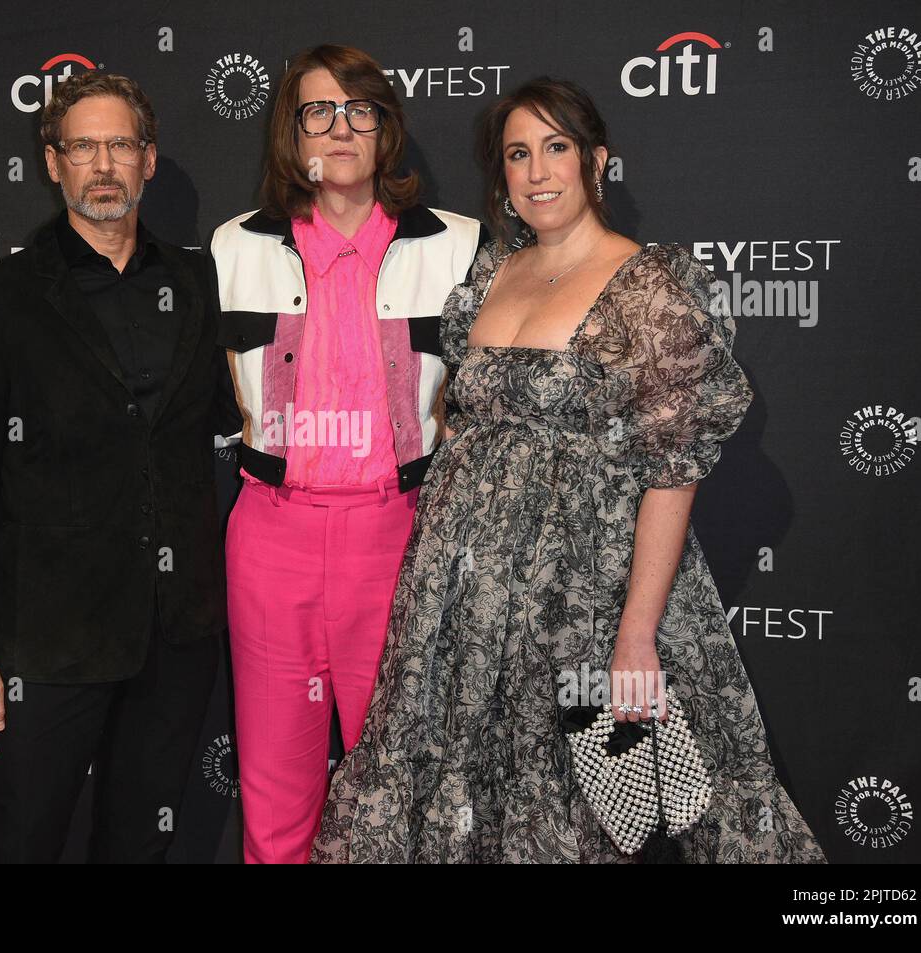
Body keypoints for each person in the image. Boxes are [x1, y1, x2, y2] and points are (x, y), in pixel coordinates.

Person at [309, 77, 827, 863]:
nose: (539, 171)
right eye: (519, 154)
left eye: (557, 148)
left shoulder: (651, 285)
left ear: (597, 161)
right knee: (464, 786)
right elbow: (465, 421)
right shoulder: (490, 273)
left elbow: (673, 470)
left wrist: (637, 634)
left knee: (575, 802)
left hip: (584, 594)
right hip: (466, 602)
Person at [0, 71, 240, 863]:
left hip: (173, 636)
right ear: (53, 161)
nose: (105, 164)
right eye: (84, 146)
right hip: (45, 644)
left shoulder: (197, 281)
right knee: (25, 841)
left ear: (150, 159)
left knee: (139, 846)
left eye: (121, 145)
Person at [209, 44, 485, 863]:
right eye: (317, 111)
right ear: (291, 134)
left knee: (400, 779)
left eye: (359, 109)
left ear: (386, 128)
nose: (338, 127)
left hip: (399, 538)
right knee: (275, 787)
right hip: (271, 537)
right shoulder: (233, 248)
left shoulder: (458, 245)